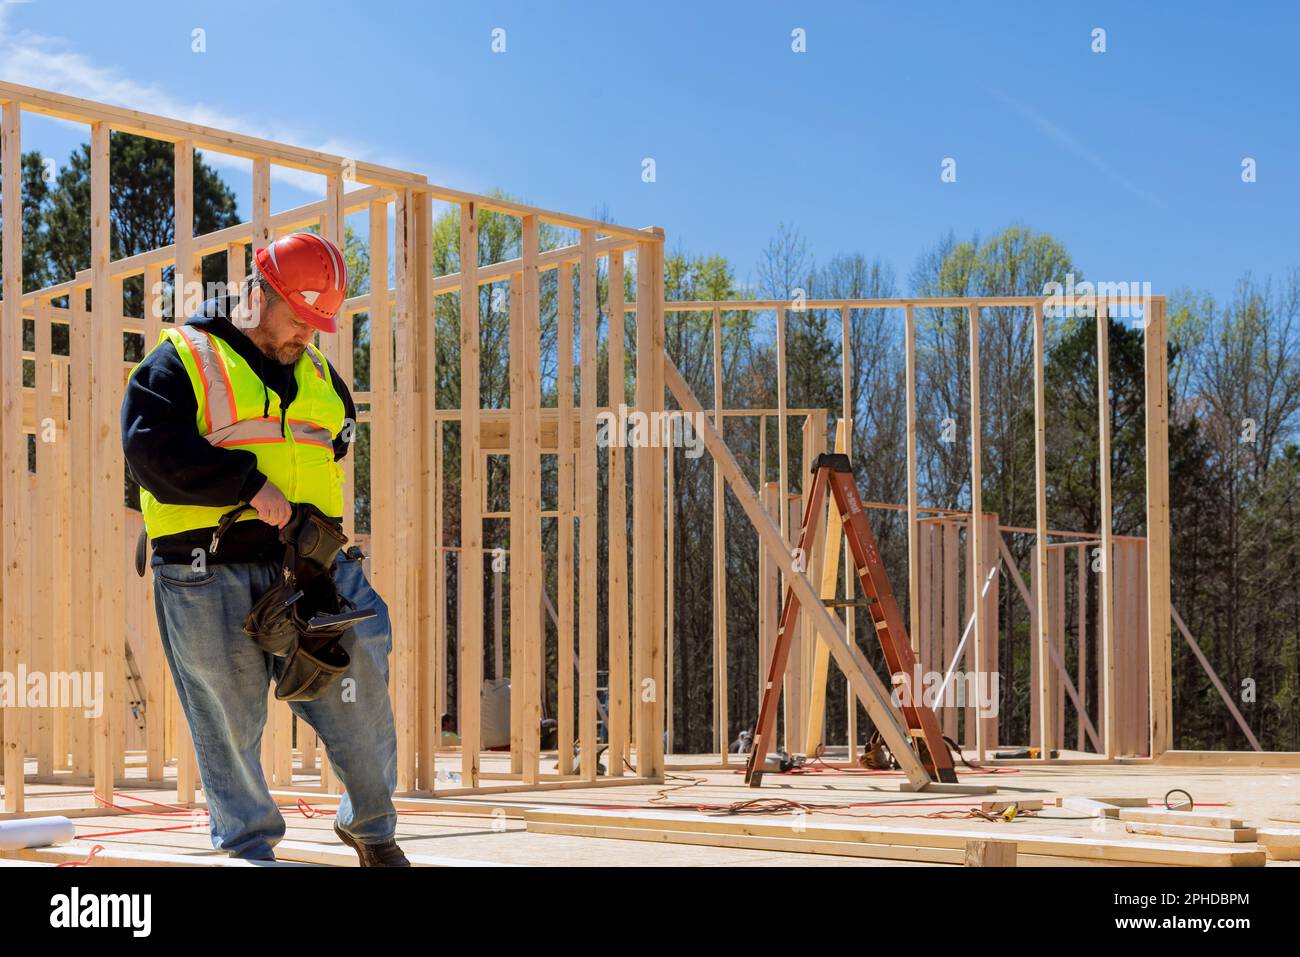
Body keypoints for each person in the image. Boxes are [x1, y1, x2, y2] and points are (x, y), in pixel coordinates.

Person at [121, 232, 408, 866]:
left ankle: (373, 829)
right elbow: (148, 450)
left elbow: (338, 435)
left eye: (319, 324)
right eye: (301, 319)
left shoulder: (318, 372)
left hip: (307, 567)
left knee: (360, 673)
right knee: (227, 719)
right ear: (258, 296)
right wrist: (247, 485)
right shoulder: (182, 360)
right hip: (204, 569)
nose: (310, 334)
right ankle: (250, 848)